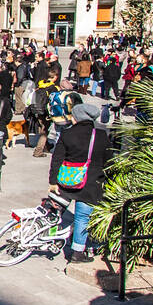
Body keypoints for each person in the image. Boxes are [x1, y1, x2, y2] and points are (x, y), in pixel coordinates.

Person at [48, 103, 111, 260]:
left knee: (56, 211)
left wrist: (53, 181)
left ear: (76, 117)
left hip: (66, 181)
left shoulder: (67, 134)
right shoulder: (101, 135)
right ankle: (77, 252)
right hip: (90, 184)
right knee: (82, 217)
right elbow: (109, 161)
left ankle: (50, 237)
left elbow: (57, 159)